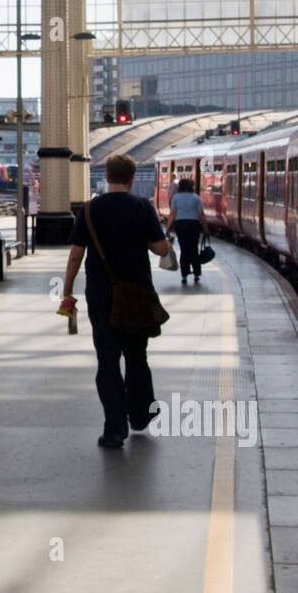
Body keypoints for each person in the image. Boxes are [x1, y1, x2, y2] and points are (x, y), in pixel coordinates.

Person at [62, 153, 171, 449]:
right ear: (132, 178)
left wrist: (67, 290)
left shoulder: (89, 210)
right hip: (136, 294)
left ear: (107, 176)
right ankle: (141, 414)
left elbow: (76, 255)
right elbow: (161, 249)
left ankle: (114, 429)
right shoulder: (142, 207)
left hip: (100, 296)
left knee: (107, 361)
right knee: (136, 356)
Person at [166, 178, 209, 286]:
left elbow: (172, 214)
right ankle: (196, 274)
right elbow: (201, 214)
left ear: (180, 187)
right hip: (193, 225)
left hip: (180, 225)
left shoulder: (176, 197)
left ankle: (184, 275)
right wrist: (205, 228)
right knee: (193, 249)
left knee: (184, 249)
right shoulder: (195, 197)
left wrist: (168, 228)